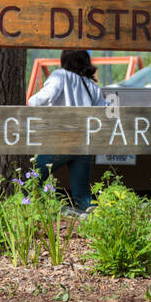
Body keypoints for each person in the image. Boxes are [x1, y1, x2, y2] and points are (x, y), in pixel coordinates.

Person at [28, 49, 105, 215]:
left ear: (64, 60)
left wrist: (29, 101)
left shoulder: (60, 76)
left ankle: (44, 211)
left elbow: (42, 99)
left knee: (31, 182)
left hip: (59, 141)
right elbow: (103, 113)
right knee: (83, 195)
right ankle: (100, 219)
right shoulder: (93, 86)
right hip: (84, 144)